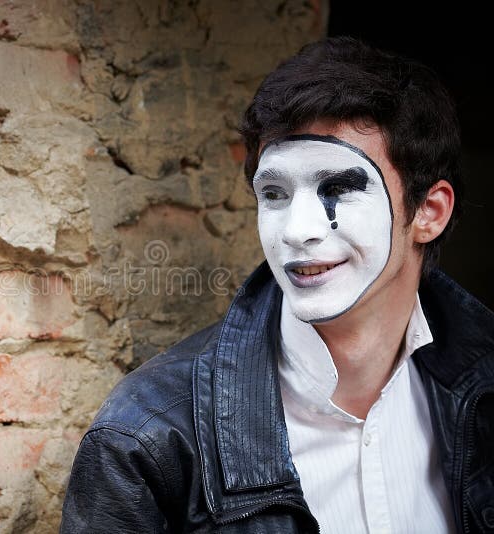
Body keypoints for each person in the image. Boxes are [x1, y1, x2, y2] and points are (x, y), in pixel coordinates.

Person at [60, 36, 494, 533]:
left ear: (429, 213)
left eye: (337, 188)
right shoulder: (146, 437)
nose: (296, 230)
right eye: (274, 193)